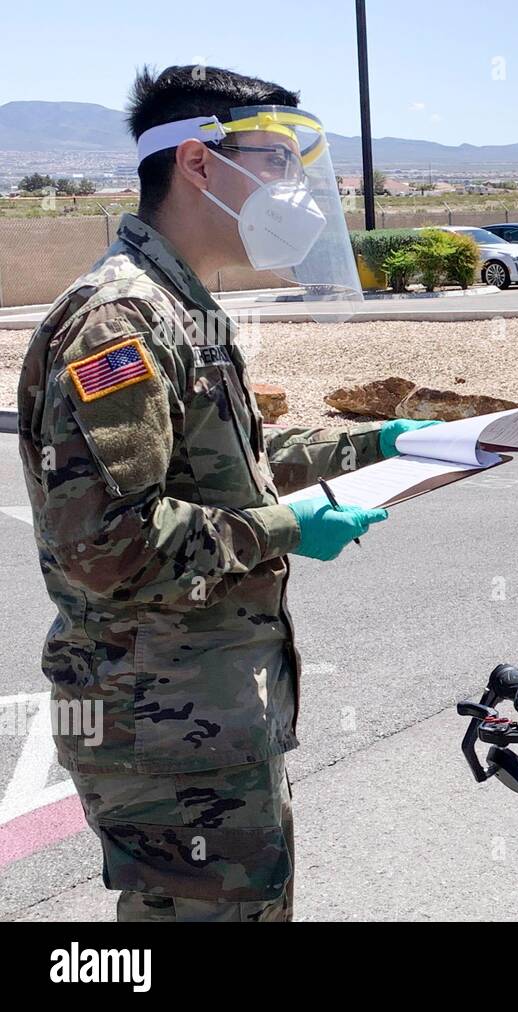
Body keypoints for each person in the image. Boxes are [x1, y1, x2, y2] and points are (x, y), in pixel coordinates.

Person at [16, 65, 438, 922]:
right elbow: (106, 546)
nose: (293, 188)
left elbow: (229, 463)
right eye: (274, 161)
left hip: (199, 714)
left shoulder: (177, 303)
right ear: (200, 164)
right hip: (162, 728)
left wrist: (382, 443)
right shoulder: (121, 321)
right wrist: (286, 529)